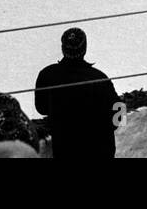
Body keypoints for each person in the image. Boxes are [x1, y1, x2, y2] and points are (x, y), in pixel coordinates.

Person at [34, 28, 121, 160]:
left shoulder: (47, 75)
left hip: (66, 150)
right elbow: (120, 111)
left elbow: (41, 108)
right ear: (84, 48)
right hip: (101, 150)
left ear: (63, 48)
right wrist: (107, 128)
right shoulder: (100, 78)